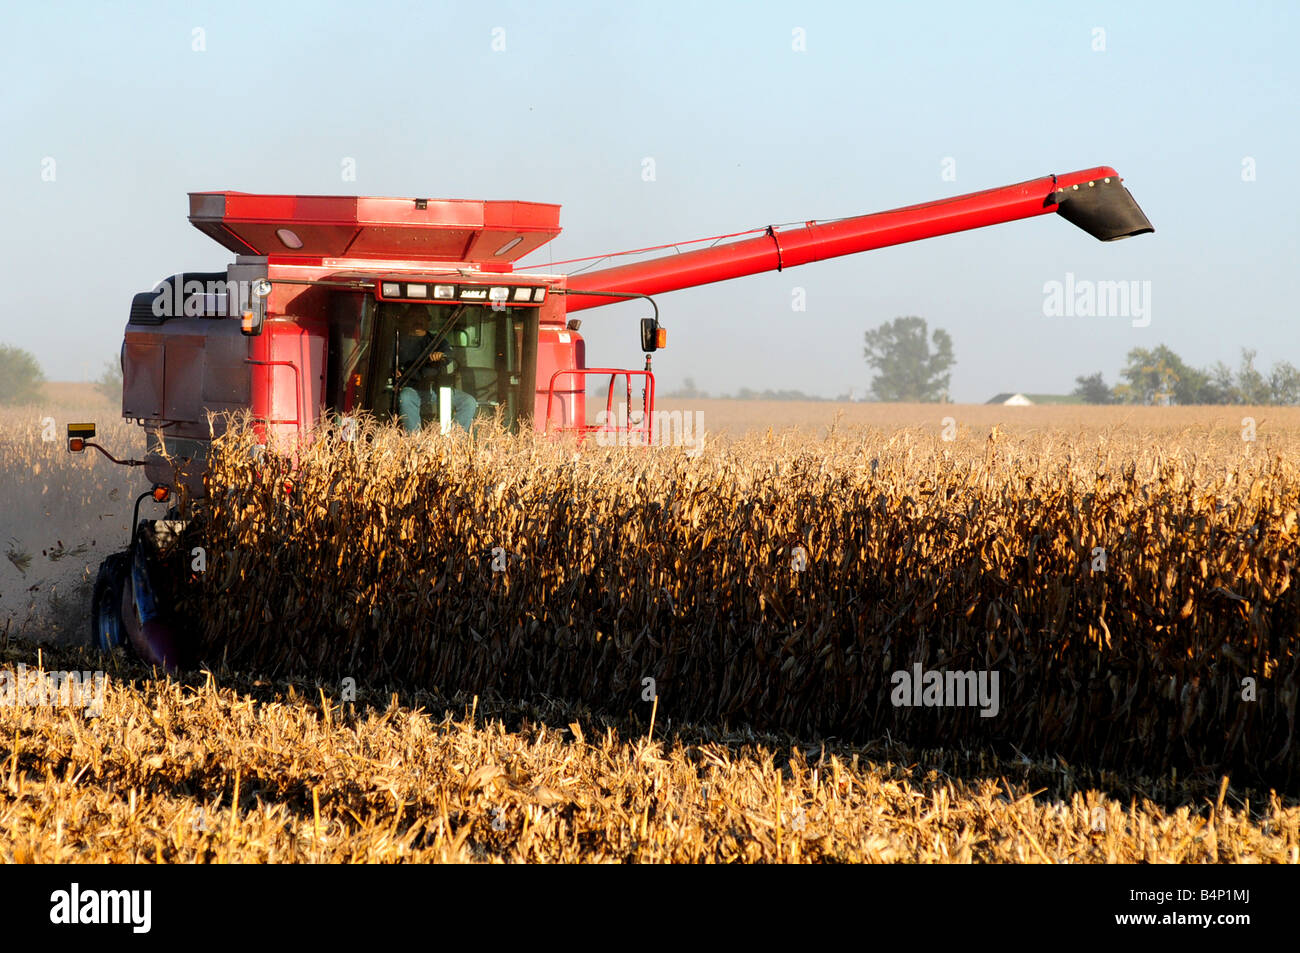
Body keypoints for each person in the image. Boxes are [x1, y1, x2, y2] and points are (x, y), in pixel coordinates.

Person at [394, 304, 478, 432]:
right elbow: (386, 363)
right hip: (411, 388)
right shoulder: (398, 342)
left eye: (422, 316)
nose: (418, 320)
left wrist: (442, 356)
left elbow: (450, 356)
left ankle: (453, 443)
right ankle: (414, 445)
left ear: (428, 320)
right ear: (408, 319)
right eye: (414, 316)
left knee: (468, 402)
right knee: (405, 397)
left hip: (437, 389)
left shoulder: (437, 341)